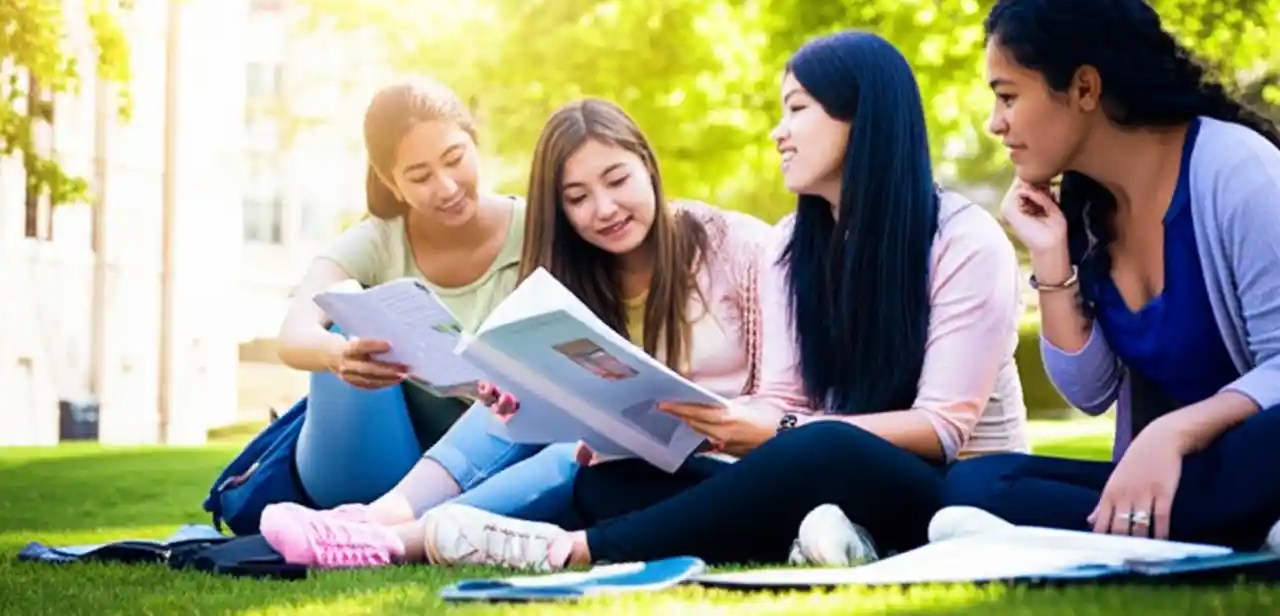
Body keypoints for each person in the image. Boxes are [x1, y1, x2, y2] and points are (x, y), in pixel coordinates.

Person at [407, 29, 1030, 572]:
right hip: (827, 471)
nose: (778, 132)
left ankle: (570, 551)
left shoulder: (961, 238)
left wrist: (779, 428)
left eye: (797, 108)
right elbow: (785, 403)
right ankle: (825, 537)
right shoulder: (793, 244)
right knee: (612, 479)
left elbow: (941, 430)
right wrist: (707, 427)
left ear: (858, 117)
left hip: (953, 491)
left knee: (818, 444)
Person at [259, 98, 773, 567]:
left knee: (564, 451)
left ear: (648, 165)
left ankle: (397, 541)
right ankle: (377, 520)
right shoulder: (579, 266)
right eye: (578, 197)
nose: (605, 209)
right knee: (516, 408)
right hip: (615, 459)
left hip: (710, 463)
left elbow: (789, 395)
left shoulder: (735, 246)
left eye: (618, 181)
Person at [935, 0, 1280, 551]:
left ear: (1085, 89)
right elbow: (1090, 392)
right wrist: (1049, 258)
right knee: (977, 482)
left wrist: (1174, 433)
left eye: (1008, 96)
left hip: (1252, 451)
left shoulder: (1238, 173)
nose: (997, 124)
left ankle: (1135, 535)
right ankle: (1210, 533)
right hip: (1179, 477)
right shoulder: (1089, 211)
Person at [277, 79, 525, 518]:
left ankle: (396, 520)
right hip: (375, 466)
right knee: (345, 321)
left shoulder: (537, 228)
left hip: (494, 455)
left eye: (455, 160)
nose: (446, 187)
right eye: (420, 176)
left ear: (474, 141)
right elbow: (293, 334)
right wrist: (339, 355)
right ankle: (364, 516)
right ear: (392, 184)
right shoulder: (377, 242)